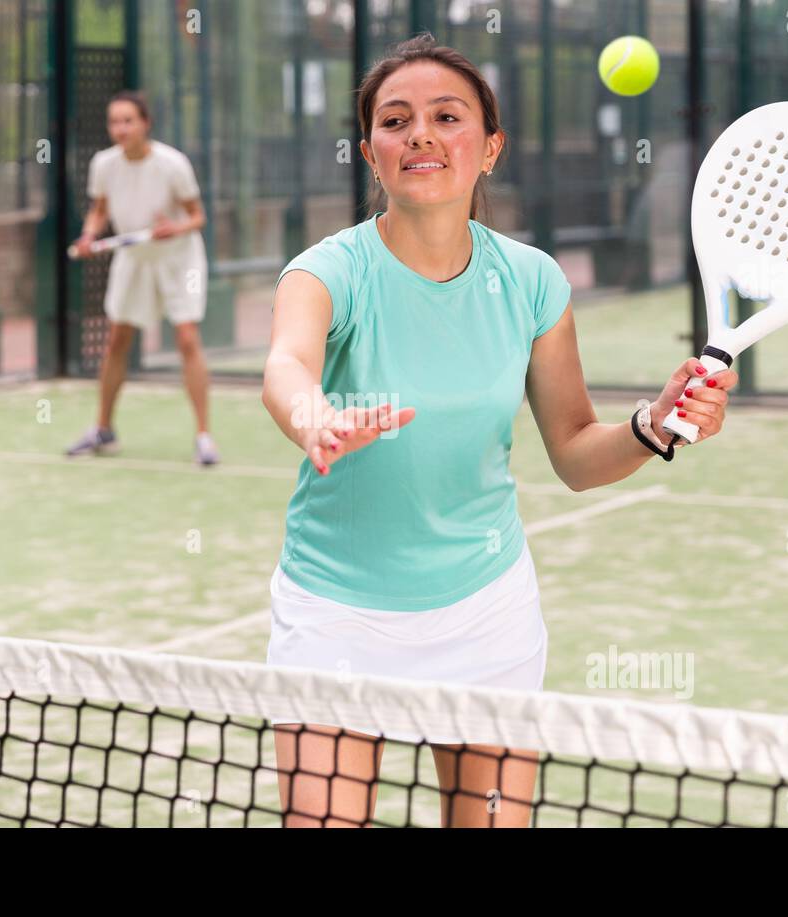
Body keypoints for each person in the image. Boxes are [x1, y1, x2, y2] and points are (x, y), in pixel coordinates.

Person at [260, 34, 738, 828]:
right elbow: (286, 363)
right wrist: (315, 416)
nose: (420, 135)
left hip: (486, 615)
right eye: (394, 120)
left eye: (447, 117)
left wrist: (654, 426)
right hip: (333, 615)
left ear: (489, 148)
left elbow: (578, 453)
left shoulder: (531, 281)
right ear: (371, 151)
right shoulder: (327, 270)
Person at [66, 90, 220, 465]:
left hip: (178, 258)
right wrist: (89, 235)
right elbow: (99, 210)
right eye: (114, 122)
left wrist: (176, 227)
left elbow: (198, 217)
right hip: (132, 259)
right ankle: (103, 429)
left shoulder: (173, 164)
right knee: (117, 339)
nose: (120, 129)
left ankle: (203, 437)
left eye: (128, 121)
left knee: (186, 338)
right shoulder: (104, 164)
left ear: (145, 123)